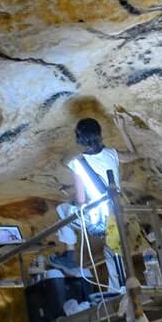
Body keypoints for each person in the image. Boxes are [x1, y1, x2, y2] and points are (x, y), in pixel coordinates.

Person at [66, 117, 127, 287]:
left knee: (63, 210)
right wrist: (122, 129)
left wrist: (73, 201)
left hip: (99, 217)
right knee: (113, 250)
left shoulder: (78, 163)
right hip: (118, 211)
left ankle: (69, 254)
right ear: (99, 134)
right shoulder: (112, 154)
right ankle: (120, 289)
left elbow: (81, 199)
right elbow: (135, 153)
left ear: (79, 139)